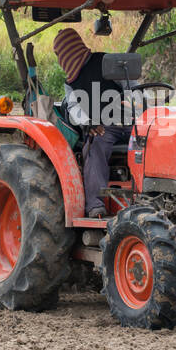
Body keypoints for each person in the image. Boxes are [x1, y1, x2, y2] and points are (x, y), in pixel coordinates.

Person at [52, 27, 130, 218]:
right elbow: (73, 107)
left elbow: (129, 85)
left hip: (129, 120)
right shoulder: (70, 83)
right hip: (105, 127)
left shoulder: (105, 61)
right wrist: (88, 123)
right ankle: (96, 206)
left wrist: (132, 101)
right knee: (95, 145)